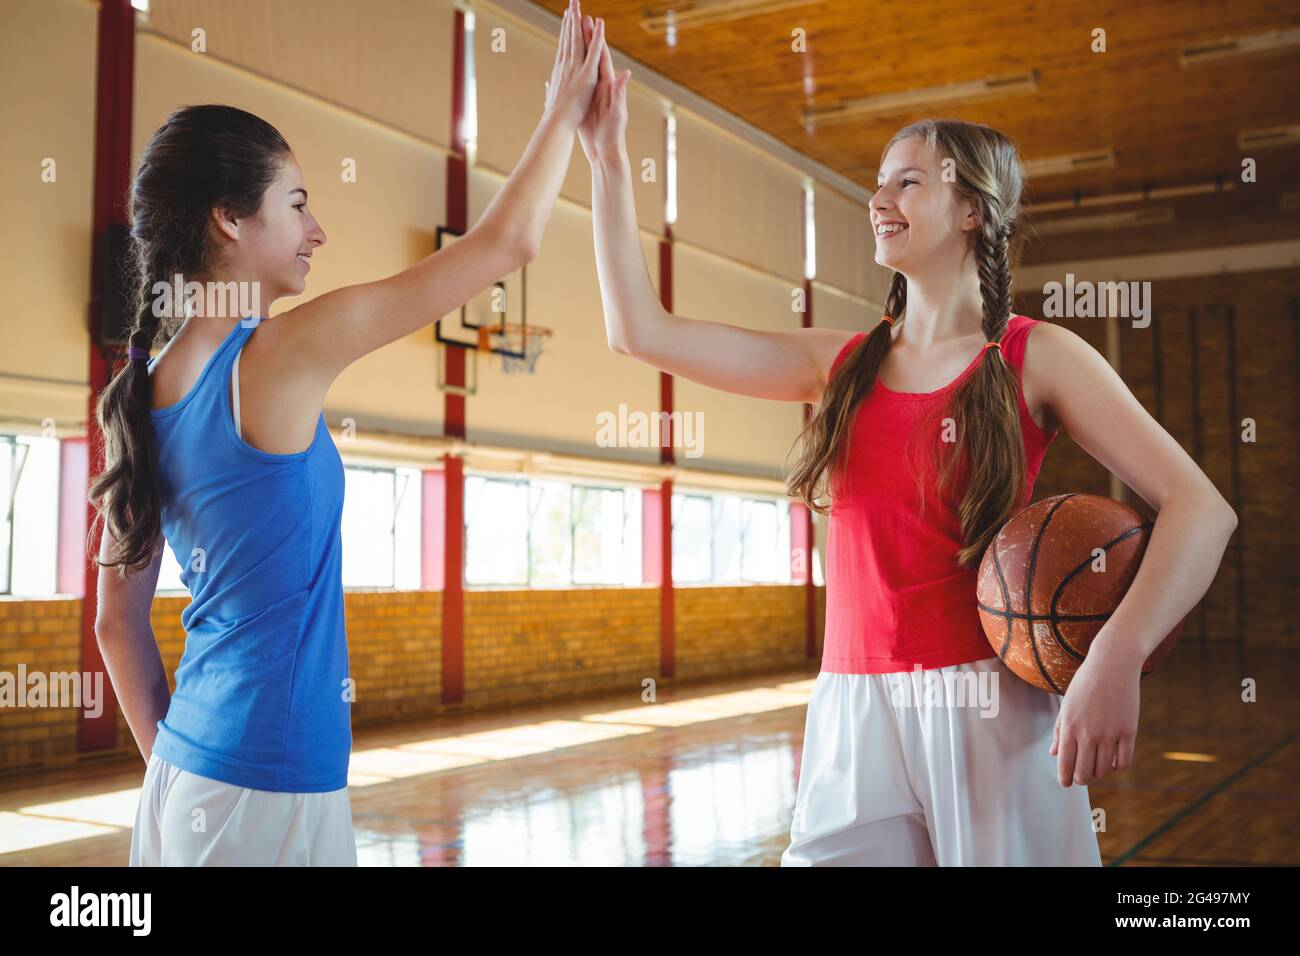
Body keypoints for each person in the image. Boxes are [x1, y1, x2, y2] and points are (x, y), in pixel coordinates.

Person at [576, 24, 1238, 864]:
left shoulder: (1037, 356)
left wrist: (1116, 655)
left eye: (909, 181)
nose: (879, 198)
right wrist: (605, 162)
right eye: (879, 183)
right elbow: (639, 331)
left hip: (990, 706)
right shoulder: (838, 364)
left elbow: (1200, 511)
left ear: (972, 211)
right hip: (850, 705)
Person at [90, 0, 607, 866]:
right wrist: (564, 110)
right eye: (296, 204)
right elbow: (508, 243)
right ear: (230, 218)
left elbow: (116, 625)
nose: (317, 230)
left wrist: (184, 780)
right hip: (265, 791)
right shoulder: (281, 353)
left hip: (188, 783)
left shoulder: (140, 394)